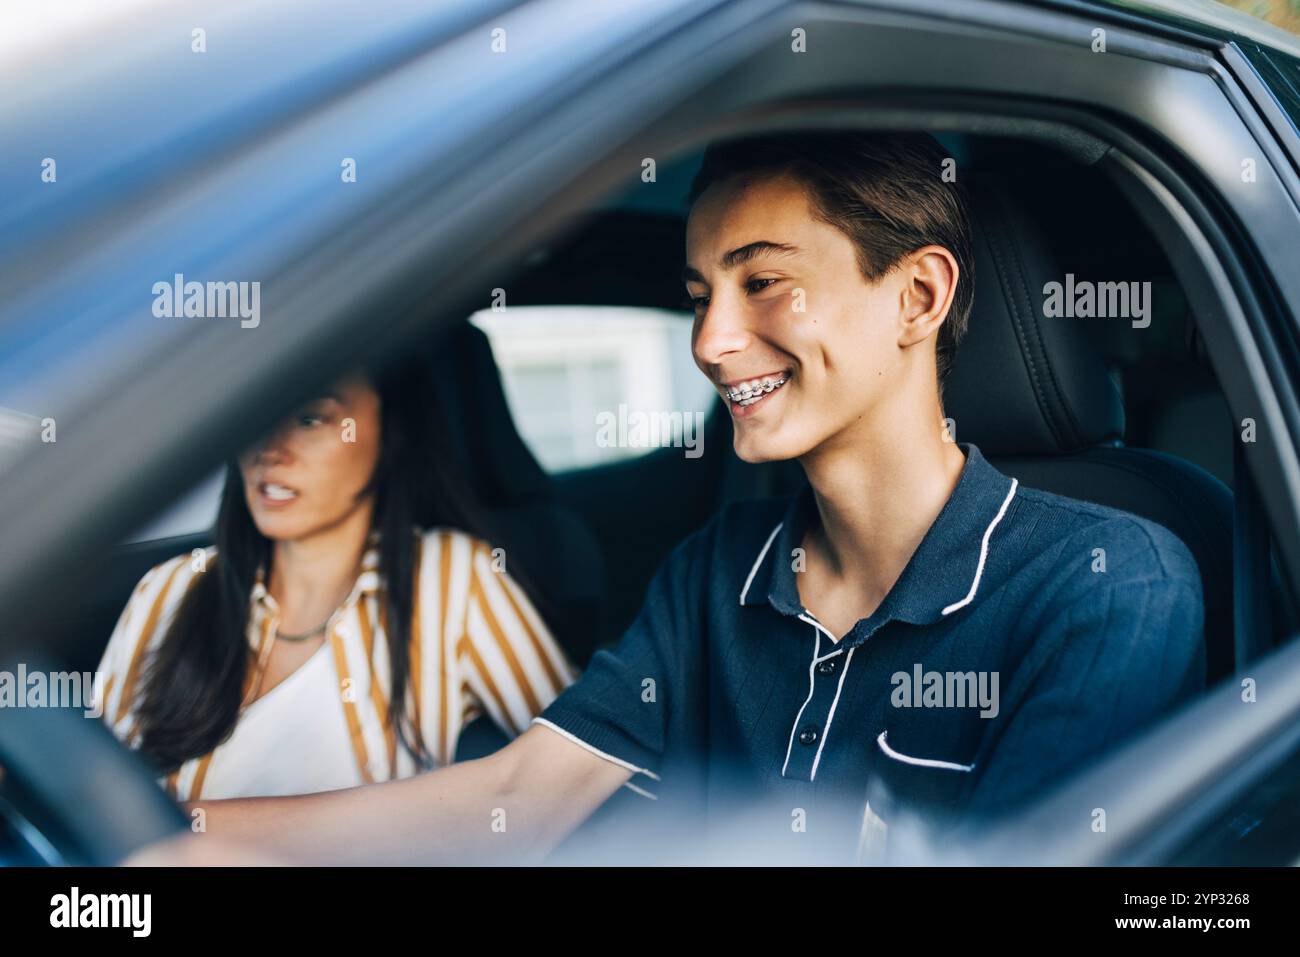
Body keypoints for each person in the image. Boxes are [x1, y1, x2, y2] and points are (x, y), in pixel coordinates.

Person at [128, 131, 1205, 865]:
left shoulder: (1107, 584)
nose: (709, 340)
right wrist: (166, 831)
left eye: (762, 281)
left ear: (916, 296)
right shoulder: (717, 570)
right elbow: (517, 800)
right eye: (698, 296)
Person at [98, 359, 576, 801]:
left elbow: (580, 768)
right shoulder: (170, 587)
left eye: (309, 419)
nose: (269, 450)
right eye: (255, 416)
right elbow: (87, 790)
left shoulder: (453, 578)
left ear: (391, 434)